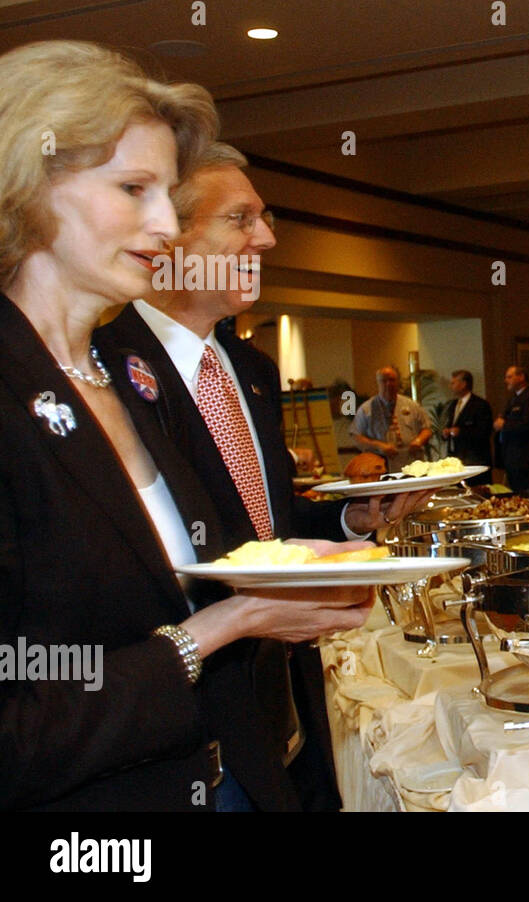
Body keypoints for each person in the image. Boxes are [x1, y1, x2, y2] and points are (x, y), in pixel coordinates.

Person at [0, 40, 375, 811]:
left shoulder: (126, 375)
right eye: (133, 188)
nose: (166, 224)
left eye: (167, 193)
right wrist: (220, 628)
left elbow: (170, 579)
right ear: (25, 186)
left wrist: (285, 566)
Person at [94, 141, 432, 810]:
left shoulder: (250, 371)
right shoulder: (105, 372)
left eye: (265, 217)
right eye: (240, 219)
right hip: (191, 730)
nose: (267, 238)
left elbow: (266, 530)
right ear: (170, 233)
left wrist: (351, 518)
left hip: (286, 707)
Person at [352, 366, 433, 471]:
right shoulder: (366, 409)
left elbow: (426, 429)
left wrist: (419, 440)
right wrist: (378, 445)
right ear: (377, 383)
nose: (388, 384)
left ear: (397, 382)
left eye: (392, 380)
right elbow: (356, 436)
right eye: (384, 381)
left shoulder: (412, 405)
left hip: (411, 462)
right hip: (380, 464)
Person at [494, 364, 529, 494]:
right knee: (514, 491)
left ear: (521, 377)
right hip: (511, 454)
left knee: (525, 493)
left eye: (509, 377)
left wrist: (505, 424)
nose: (506, 381)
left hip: (524, 455)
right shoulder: (513, 399)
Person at [442, 369, 493, 484]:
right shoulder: (453, 404)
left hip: (475, 458)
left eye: (453, 383)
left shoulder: (480, 404)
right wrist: (446, 432)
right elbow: (451, 425)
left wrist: (461, 431)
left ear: (464, 384)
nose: (451, 386)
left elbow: (484, 431)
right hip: (457, 457)